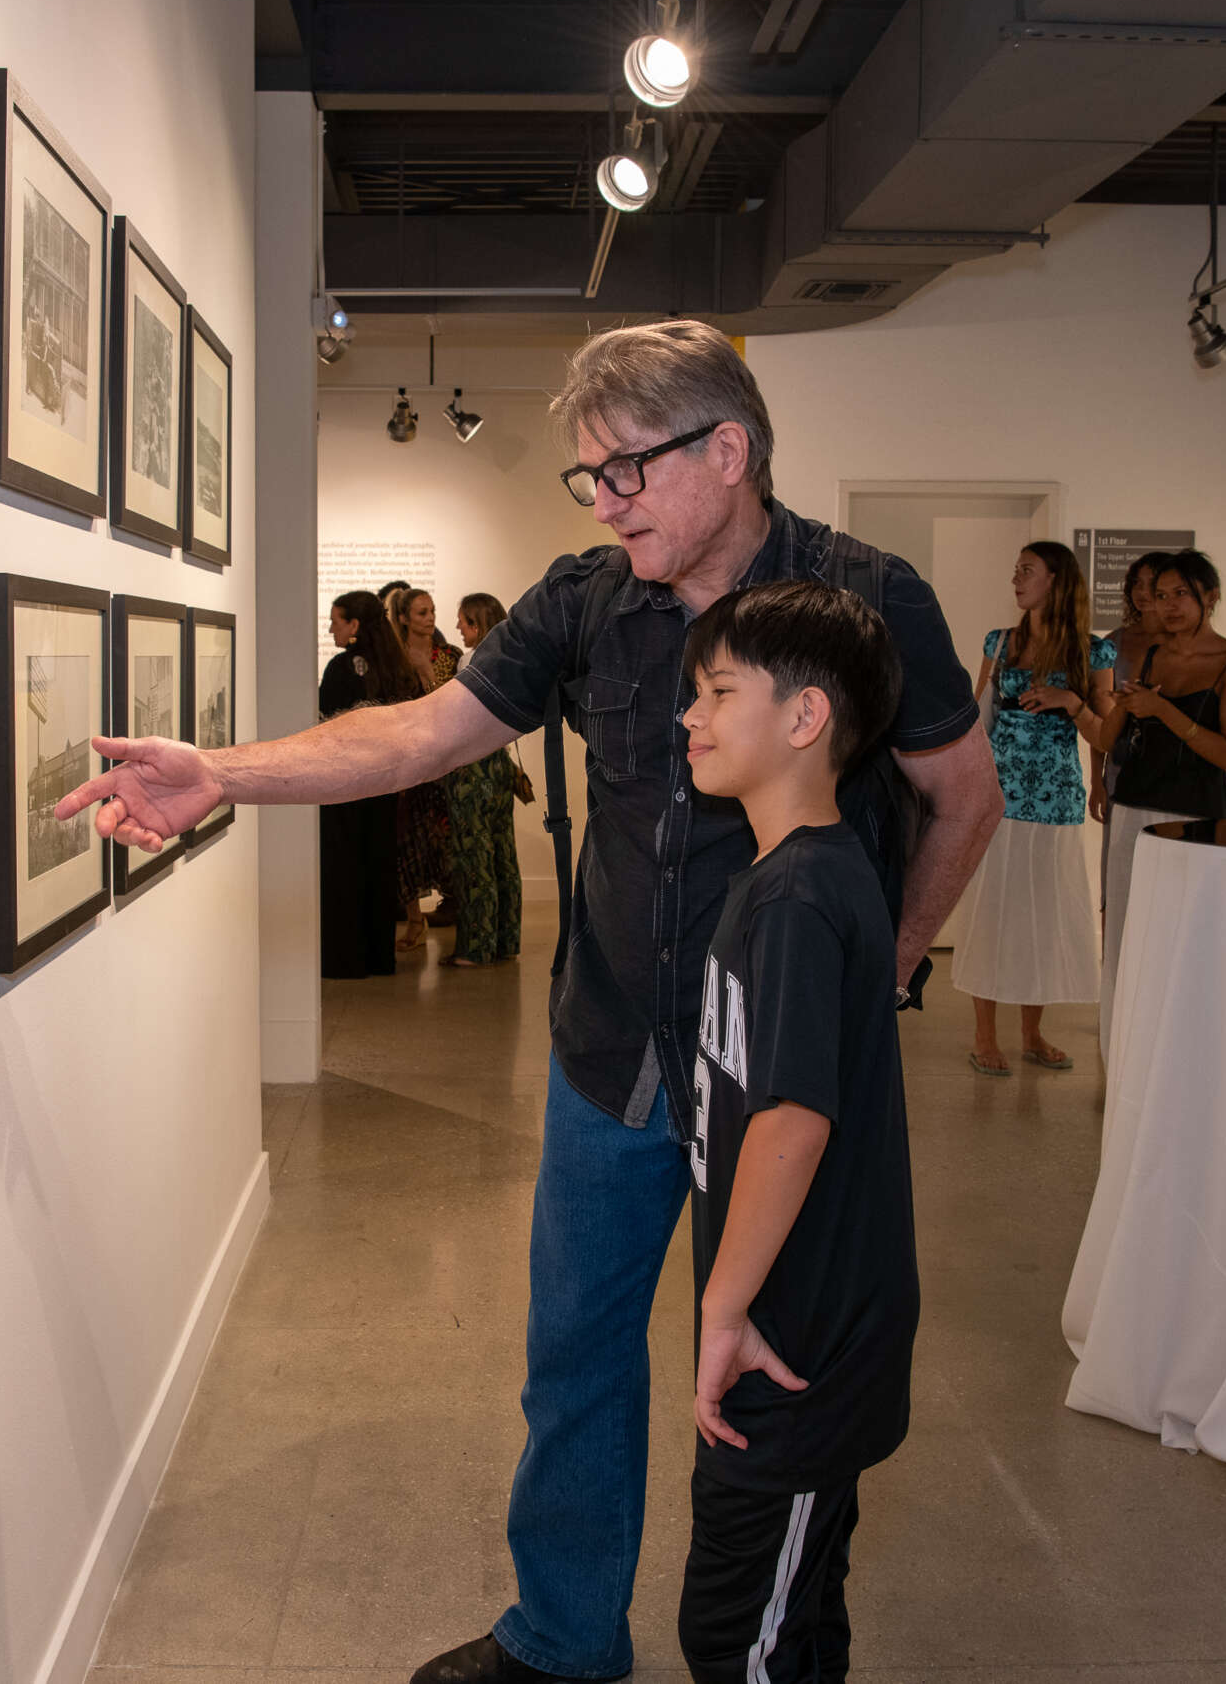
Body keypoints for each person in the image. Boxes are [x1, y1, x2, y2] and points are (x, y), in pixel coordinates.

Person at [58, 319, 999, 1684]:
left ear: (728, 452)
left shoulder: (864, 600)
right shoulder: (586, 601)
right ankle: (563, 1637)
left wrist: (887, 973)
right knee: (575, 1352)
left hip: (778, 1074)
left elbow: (963, 795)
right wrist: (224, 772)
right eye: (588, 478)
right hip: (610, 1050)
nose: (604, 501)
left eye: (625, 470)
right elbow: (418, 733)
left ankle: (772, 1638)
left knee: (779, 1367)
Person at [670, 582, 919, 1681]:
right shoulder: (793, 873)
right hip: (792, 1314)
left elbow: (791, 1122)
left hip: (797, 1339)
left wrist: (725, 1309)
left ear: (805, 718)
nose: (692, 716)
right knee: (791, 1609)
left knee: (736, 1640)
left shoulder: (799, 899)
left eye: (719, 692)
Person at [951, 542, 1116, 1075]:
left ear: (1056, 580)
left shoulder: (1093, 653)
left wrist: (1073, 706)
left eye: (1028, 570)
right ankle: (984, 1035)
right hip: (999, 799)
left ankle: (1032, 1033)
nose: (1016, 578)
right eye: (1016, 569)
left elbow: (1104, 733)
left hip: (1056, 800)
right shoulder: (1000, 644)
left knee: (1041, 918)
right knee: (992, 913)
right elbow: (976, 721)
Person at [1094, 550, 1226, 1062]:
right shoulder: (1151, 657)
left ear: (1210, 597)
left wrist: (1162, 709)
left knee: (1190, 939)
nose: (1168, 606)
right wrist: (1078, 708)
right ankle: (1125, 1056)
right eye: (1160, 596)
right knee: (1126, 933)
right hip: (1134, 809)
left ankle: (1188, 1058)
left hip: (1197, 816)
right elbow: (1109, 732)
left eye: (1180, 595)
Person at [317, 591, 417, 978]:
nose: (331, 628)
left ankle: (347, 959)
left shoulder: (342, 667)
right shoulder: (396, 665)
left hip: (345, 783)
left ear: (355, 626)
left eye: (336, 621)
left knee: (344, 867)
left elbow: (326, 723)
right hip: (387, 784)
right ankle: (379, 956)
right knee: (378, 865)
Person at [445, 593, 524, 967]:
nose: (458, 626)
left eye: (462, 620)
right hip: (501, 764)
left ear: (475, 623)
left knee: (474, 858)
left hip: (472, 767)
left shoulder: (469, 661)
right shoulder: (510, 658)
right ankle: (506, 940)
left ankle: (476, 947)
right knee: (504, 856)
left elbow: (455, 719)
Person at [394, 588, 465, 950]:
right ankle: (413, 919)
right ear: (404, 618)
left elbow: (453, 708)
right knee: (407, 843)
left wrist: (429, 676)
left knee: (447, 841)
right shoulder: (395, 658)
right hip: (407, 763)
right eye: (422, 612)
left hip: (445, 763)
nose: (430, 618)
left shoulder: (449, 656)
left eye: (432, 611)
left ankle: (457, 910)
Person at [1091, 551, 1171, 825]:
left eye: (1152, 583)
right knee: (1120, 858)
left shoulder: (1181, 642)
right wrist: (1096, 780)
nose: (1143, 592)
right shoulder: (1114, 641)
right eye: (1137, 583)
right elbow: (1101, 716)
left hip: (1169, 767)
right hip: (1120, 762)